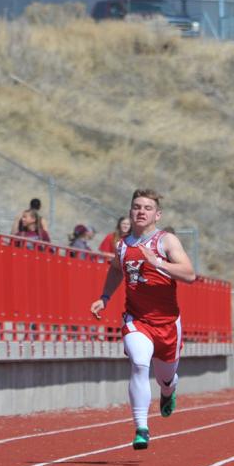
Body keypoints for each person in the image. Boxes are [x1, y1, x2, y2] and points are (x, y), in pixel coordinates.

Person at [90, 188, 196, 450]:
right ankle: (141, 428)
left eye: (147, 208)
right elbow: (116, 270)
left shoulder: (166, 241)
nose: (141, 211)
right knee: (139, 363)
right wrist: (104, 297)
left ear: (157, 215)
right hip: (136, 319)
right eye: (137, 207)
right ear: (130, 211)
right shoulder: (122, 245)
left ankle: (168, 391)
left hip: (168, 323)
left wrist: (158, 263)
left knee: (166, 378)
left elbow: (189, 274)